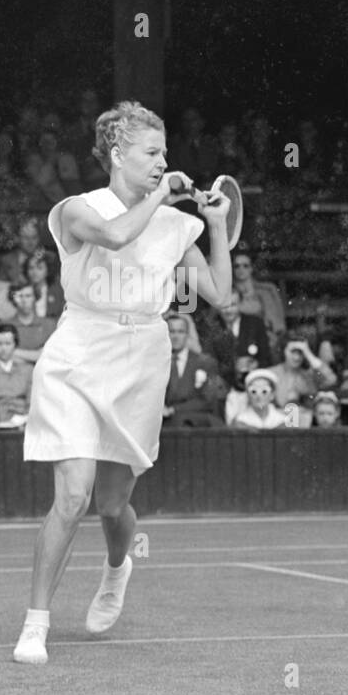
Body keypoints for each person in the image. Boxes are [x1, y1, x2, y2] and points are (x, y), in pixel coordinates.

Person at [14, 100, 231, 665]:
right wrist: (163, 196)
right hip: (79, 353)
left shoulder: (175, 224)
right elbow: (112, 237)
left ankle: (116, 569)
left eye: (165, 153)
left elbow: (219, 295)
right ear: (117, 153)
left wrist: (215, 226)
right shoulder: (75, 210)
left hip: (143, 360)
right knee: (72, 494)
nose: (163, 162)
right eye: (152, 152)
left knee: (112, 506)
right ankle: (35, 625)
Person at [162, 312, 225, 427]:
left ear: (187, 334)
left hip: (194, 424)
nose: (175, 336)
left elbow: (208, 400)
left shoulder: (205, 363)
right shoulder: (155, 363)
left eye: (181, 331)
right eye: (171, 331)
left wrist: (173, 409)